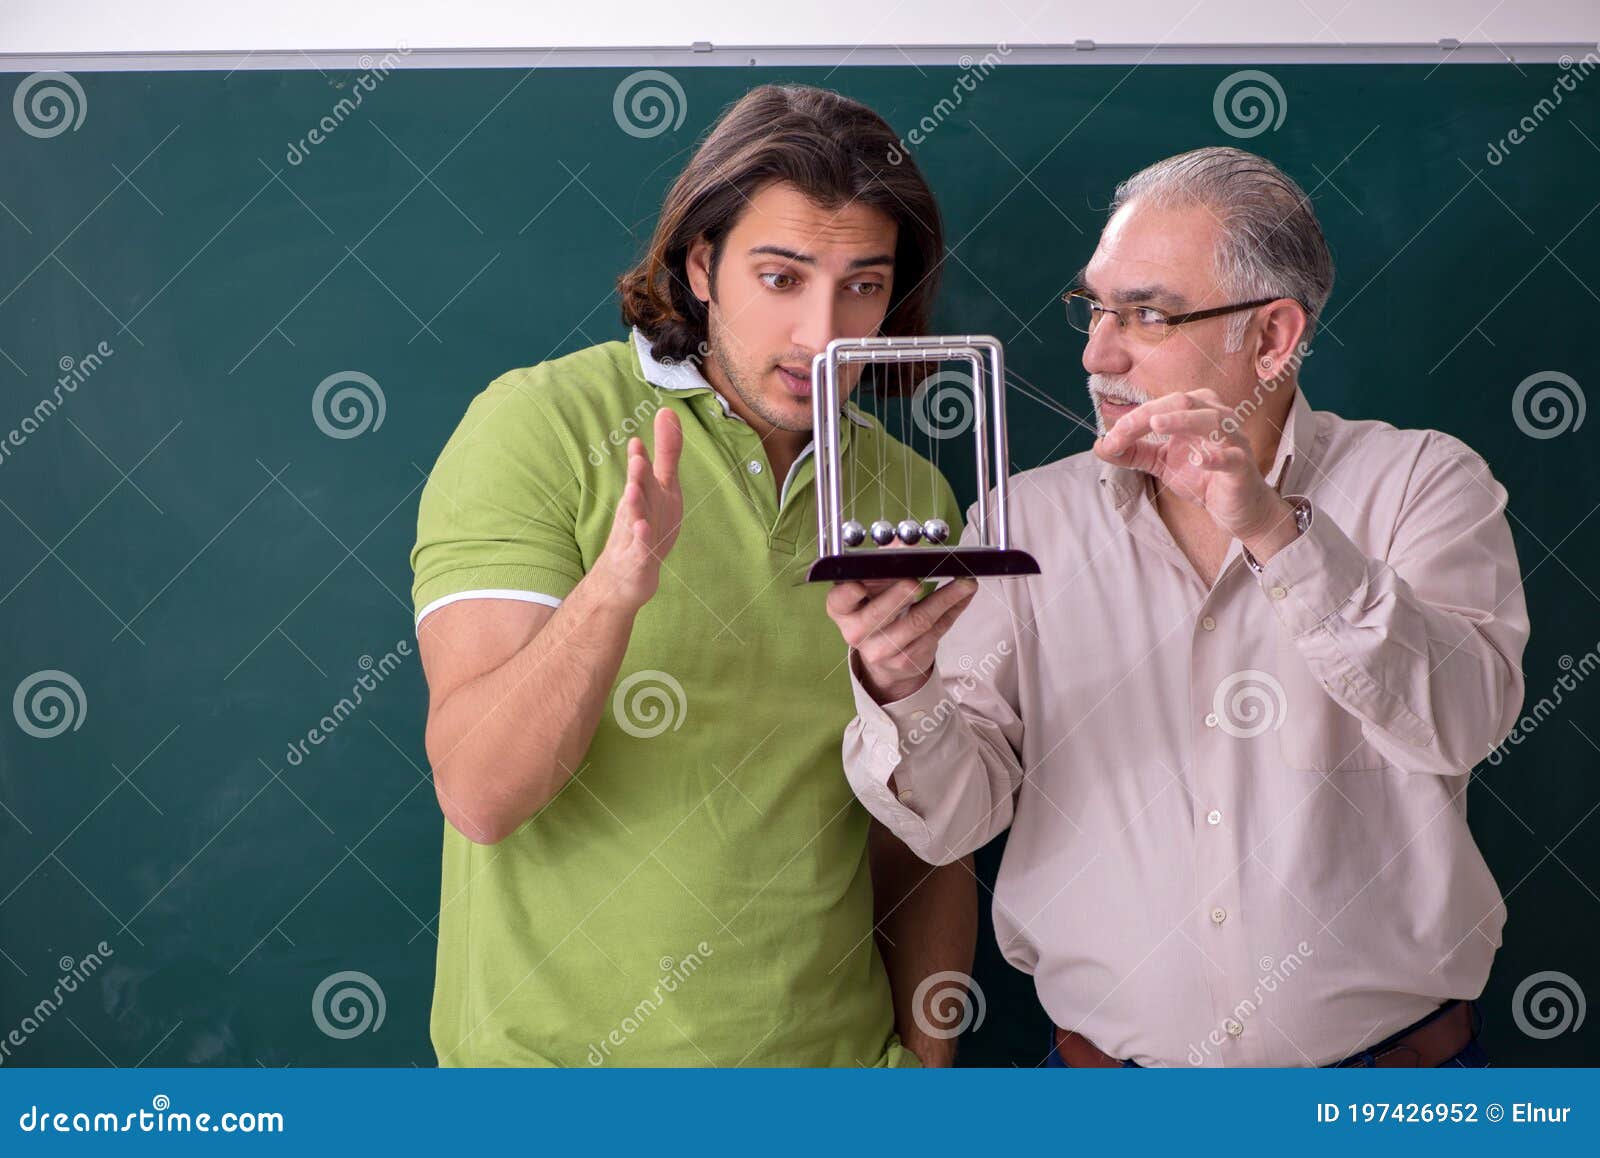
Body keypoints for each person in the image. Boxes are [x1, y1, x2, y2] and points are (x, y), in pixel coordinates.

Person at [828, 146, 1528, 1068]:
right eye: (1094, 309)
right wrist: (901, 688)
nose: (1095, 354)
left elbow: (1463, 723)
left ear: (1273, 340)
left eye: (1147, 314)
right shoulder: (1025, 518)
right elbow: (957, 821)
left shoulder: (1422, 483)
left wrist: (1280, 534)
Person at [410, 84, 975, 1067]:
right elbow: (481, 792)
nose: (822, 333)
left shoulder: (906, 489)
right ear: (703, 265)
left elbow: (923, 828)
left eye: (863, 285)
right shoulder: (541, 426)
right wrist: (614, 592)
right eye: (781, 277)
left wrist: (920, 1067)